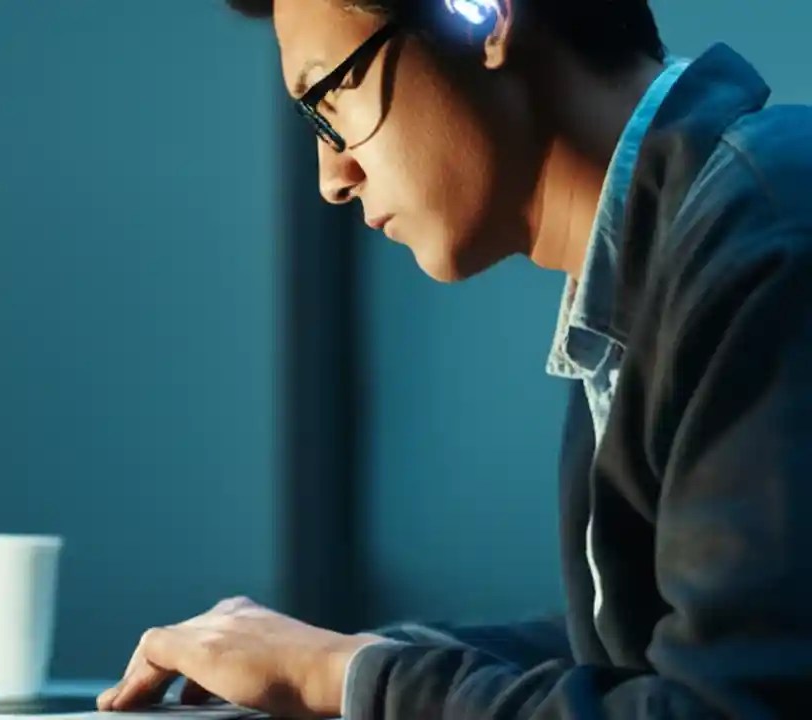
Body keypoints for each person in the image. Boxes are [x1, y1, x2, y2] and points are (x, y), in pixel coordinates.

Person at [94, 0, 812, 717]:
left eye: (330, 96)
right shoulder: (669, 258)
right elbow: (632, 653)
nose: (332, 175)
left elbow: (722, 705)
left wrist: (346, 675)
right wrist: (337, 660)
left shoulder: (768, 231)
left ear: (483, 15)